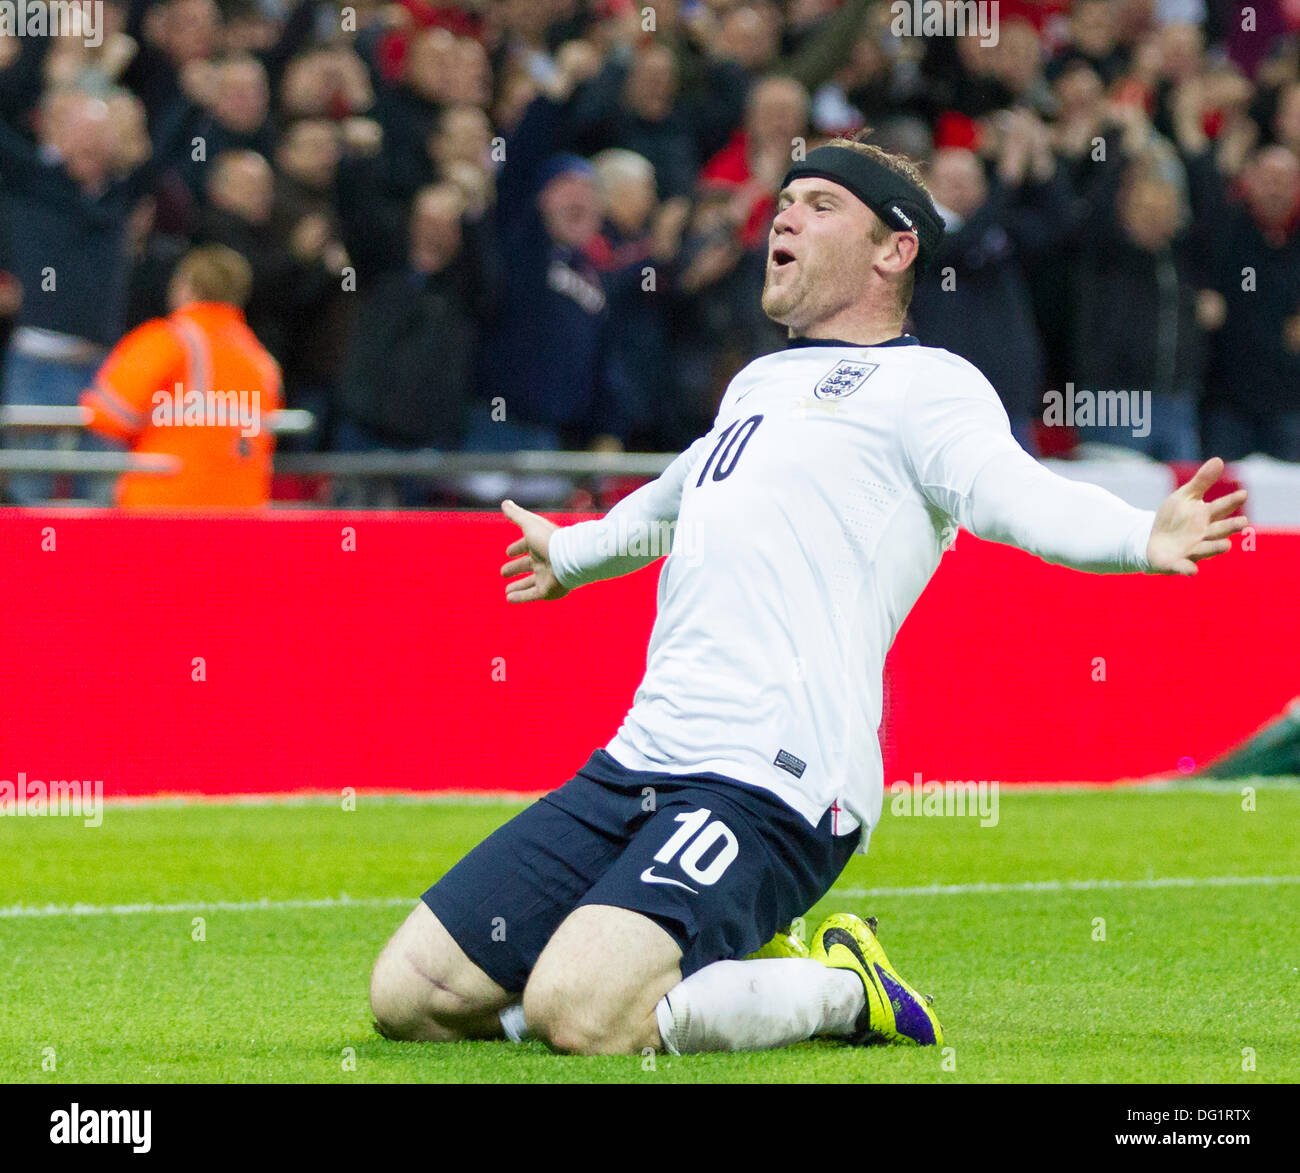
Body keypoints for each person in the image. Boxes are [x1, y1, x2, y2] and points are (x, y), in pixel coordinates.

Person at [369, 132, 1250, 1057]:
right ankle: (648, 983)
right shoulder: (756, 381)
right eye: (785, 201)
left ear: (893, 250)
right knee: (410, 994)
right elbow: (674, 496)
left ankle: (845, 987)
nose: (785, 214)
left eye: (821, 205)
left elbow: (1011, 495)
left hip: (774, 781)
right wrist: (577, 553)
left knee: (578, 1016)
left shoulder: (929, 387)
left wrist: (1137, 535)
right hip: (639, 759)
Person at [80, 244, 281, 508]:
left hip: (164, 506)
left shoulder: (167, 340)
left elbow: (106, 415)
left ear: (186, 286)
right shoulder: (261, 359)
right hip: (240, 510)